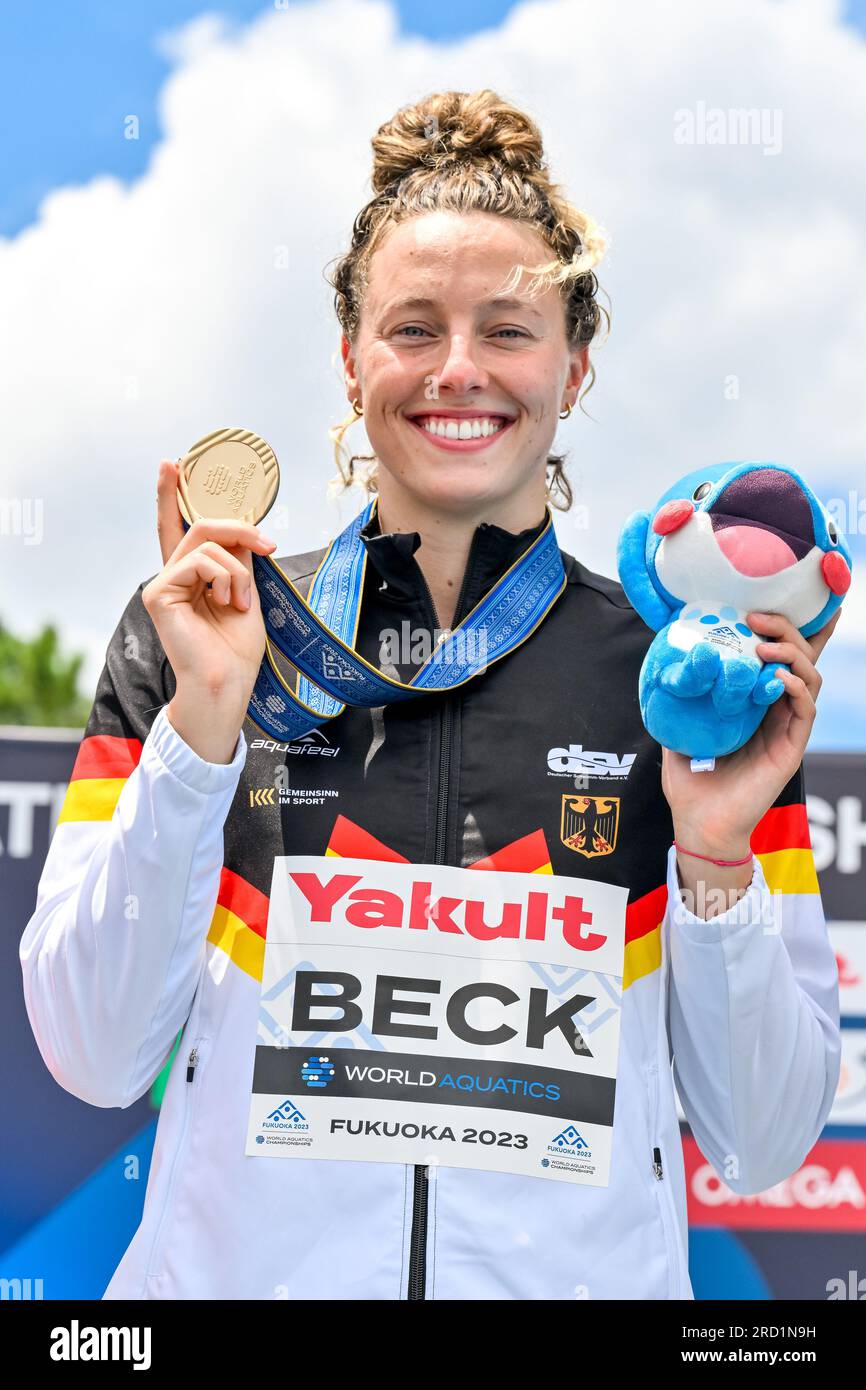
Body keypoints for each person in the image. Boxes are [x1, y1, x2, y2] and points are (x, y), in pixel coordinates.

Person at [20, 89, 841, 1301]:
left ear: (575, 361)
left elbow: (763, 1140)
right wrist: (200, 733)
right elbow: (92, 1053)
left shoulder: (680, 687)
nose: (457, 370)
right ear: (351, 360)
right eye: (413, 328)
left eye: (506, 329)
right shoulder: (204, 634)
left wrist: (716, 858)